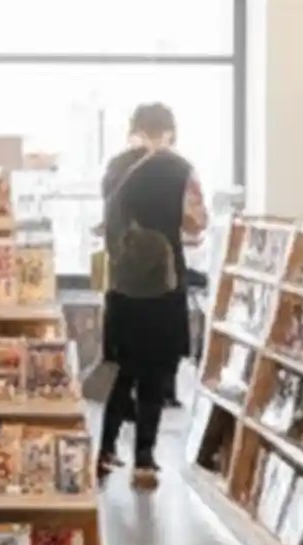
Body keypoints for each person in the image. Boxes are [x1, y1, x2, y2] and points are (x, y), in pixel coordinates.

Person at [98, 103, 207, 488]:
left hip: (122, 285)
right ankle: (144, 458)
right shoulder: (180, 169)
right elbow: (197, 225)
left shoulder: (114, 169)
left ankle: (106, 449)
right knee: (156, 374)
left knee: (122, 370)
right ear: (170, 132)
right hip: (164, 286)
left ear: (134, 129)